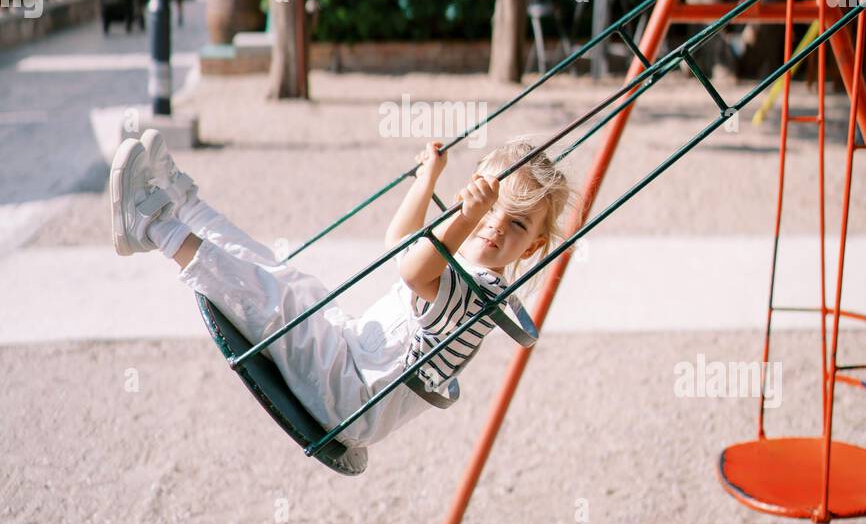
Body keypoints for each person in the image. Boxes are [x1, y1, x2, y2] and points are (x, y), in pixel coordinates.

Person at [109, 133, 575, 450]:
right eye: (490, 210)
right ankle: (187, 206)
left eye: (515, 223)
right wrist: (426, 180)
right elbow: (401, 242)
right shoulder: (460, 256)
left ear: (532, 246)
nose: (494, 227)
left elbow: (415, 273)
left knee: (277, 303)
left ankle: (155, 228)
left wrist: (464, 220)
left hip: (350, 399)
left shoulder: (483, 290)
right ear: (467, 198)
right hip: (351, 361)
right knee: (284, 278)